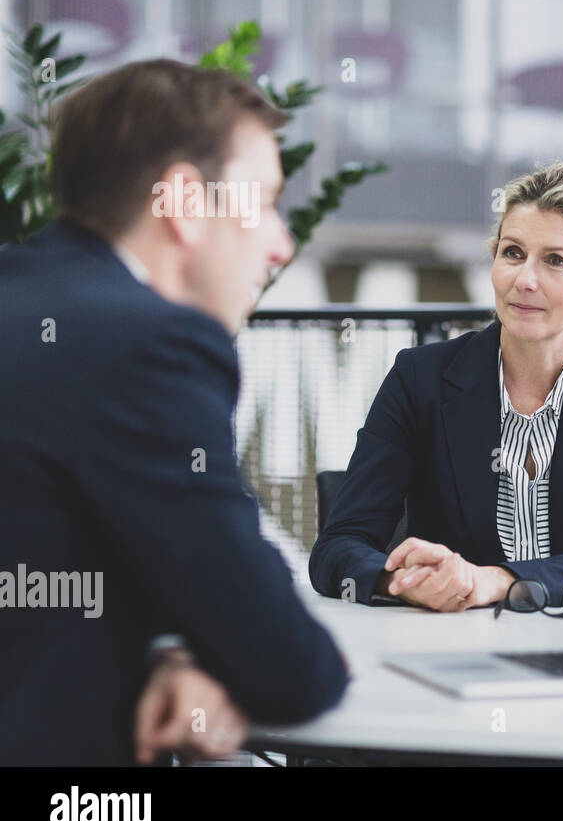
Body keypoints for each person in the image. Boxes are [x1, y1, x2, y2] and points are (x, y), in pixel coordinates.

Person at [0, 59, 349, 765]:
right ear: (185, 203)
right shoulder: (146, 347)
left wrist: (173, 649)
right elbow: (290, 666)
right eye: (267, 201)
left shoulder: (28, 297)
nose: (281, 243)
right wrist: (215, 656)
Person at [309, 162, 563, 611]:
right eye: (513, 253)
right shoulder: (419, 379)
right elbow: (339, 546)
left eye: (555, 260)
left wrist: (501, 582)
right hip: (447, 645)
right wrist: (403, 581)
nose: (524, 279)